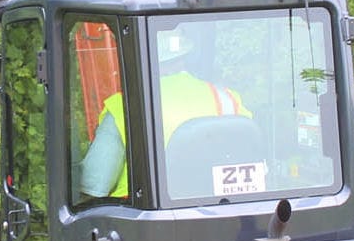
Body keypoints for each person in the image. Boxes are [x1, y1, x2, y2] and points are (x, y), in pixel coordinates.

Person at [80, 26, 249, 200]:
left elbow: (95, 185)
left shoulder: (123, 106)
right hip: (225, 212)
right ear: (185, 56)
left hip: (144, 220)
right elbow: (252, 156)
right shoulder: (227, 99)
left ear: (144, 58)